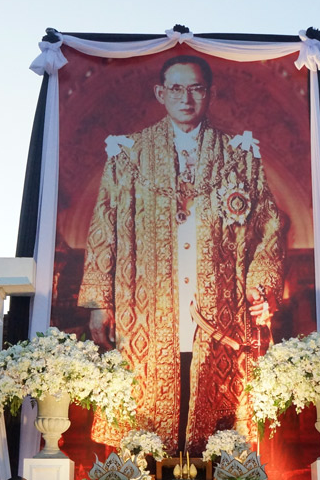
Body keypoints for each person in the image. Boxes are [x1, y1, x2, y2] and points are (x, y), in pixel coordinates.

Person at [79, 54, 286, 454]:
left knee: (212, 397)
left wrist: (260, 287)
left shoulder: (240, 156)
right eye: (176, 88)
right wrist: (98, 303)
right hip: (147, 308)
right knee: (148, 398)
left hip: (219, 307)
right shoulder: (129, 155)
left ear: (208, 93)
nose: (186, 98)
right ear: (161, 93)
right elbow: (102, 229)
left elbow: (270, 226)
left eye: (195, 89)